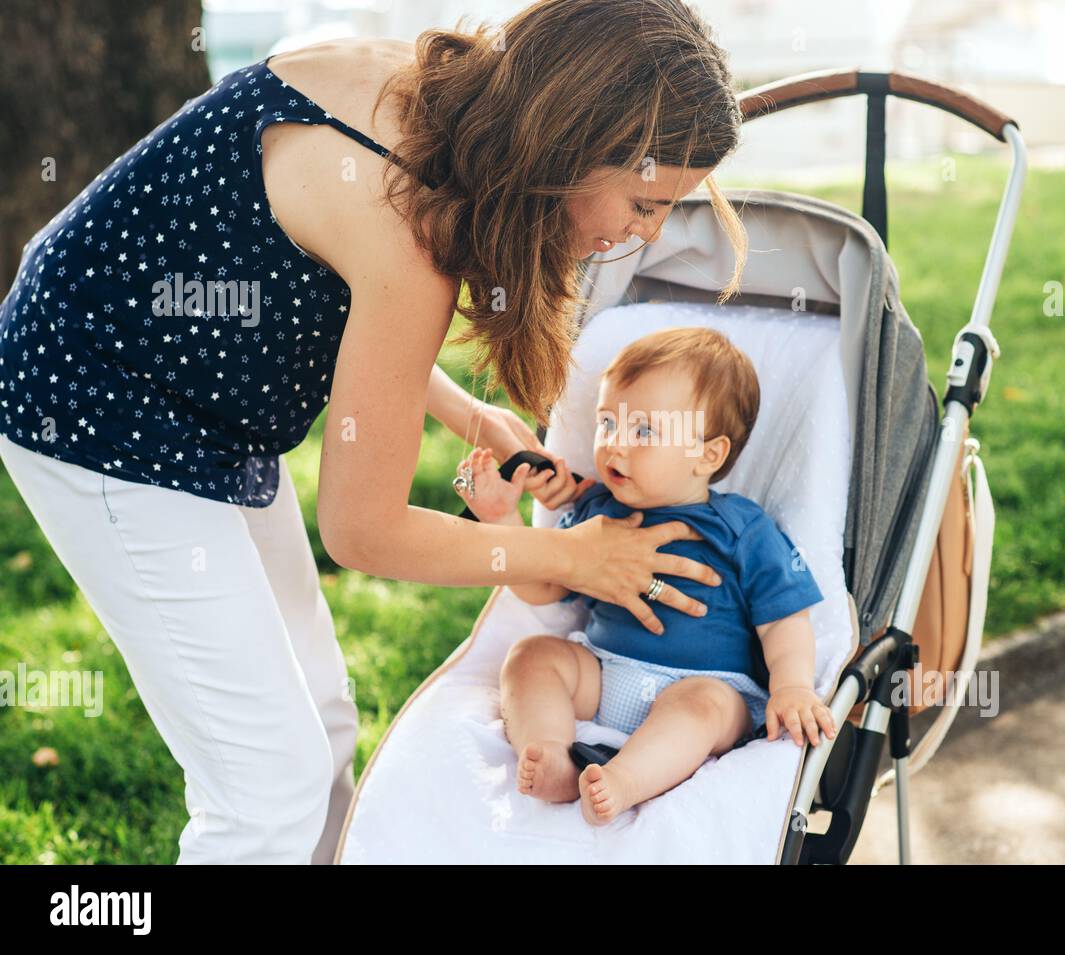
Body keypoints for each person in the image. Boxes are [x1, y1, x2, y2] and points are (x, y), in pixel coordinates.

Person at [0, 0, 748, 863]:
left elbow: (336, 290)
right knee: (265, 787)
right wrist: (574, 558)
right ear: (574, 143)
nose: (646, 232)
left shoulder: (450, 104)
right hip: (99, 400)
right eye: (645, 201)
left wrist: (467, 414)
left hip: (200, 405)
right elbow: (363, 530)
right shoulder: (412, 213)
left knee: (321, 723)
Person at [452, 326, 834, 826]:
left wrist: (792, 685)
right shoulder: (594, 512)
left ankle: (623, 780)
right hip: (604, 672)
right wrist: (504, 521)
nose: (615, 445)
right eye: (608, 422)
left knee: (705, 707)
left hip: (707, 683)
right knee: (533, 656)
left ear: (708, 455)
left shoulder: (743, 528)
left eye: (644, 432)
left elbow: (784, 619)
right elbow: (542, 586)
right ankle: (554, 755)